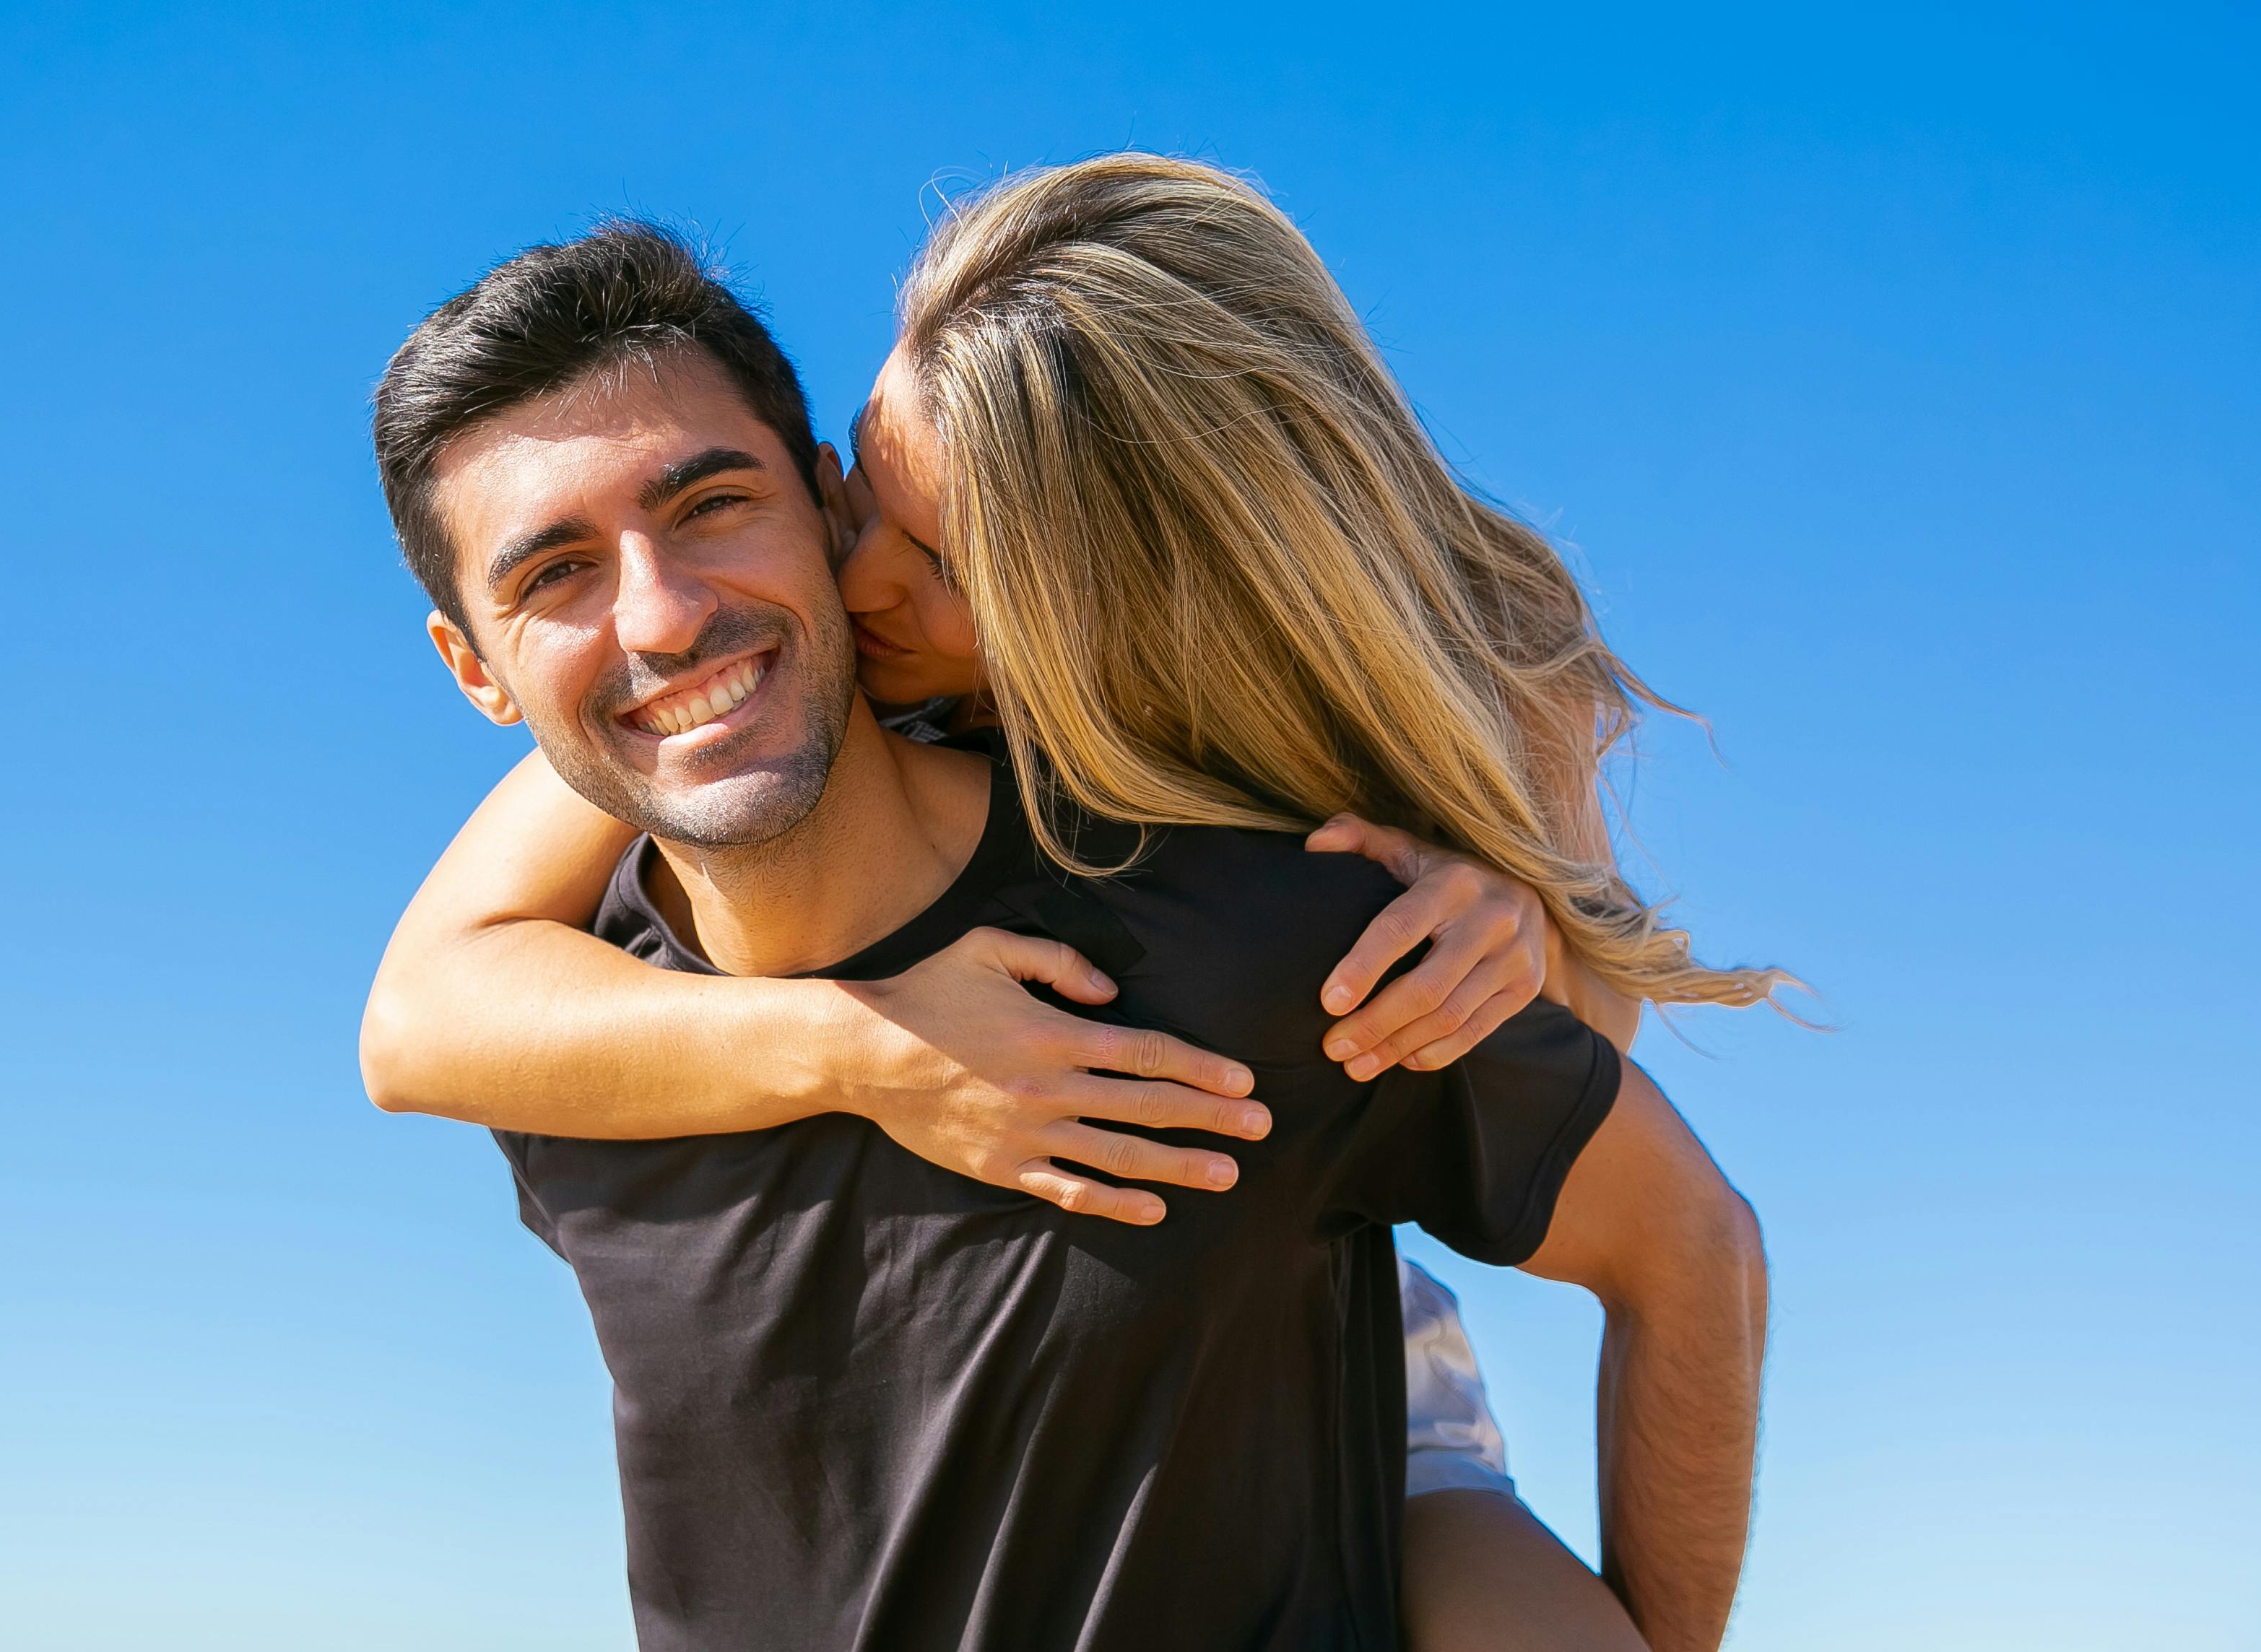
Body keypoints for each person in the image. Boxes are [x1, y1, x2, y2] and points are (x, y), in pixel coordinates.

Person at [366, 164, 1772, 1650]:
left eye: (946, 567)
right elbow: (418, 1018)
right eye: (863, 501)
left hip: (1362, 1380)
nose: (861, 585)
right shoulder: (704, 706)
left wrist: (1517, 929)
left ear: (1108, 604)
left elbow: (1643, 1162)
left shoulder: (1366, 815)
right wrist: (872, 1046)